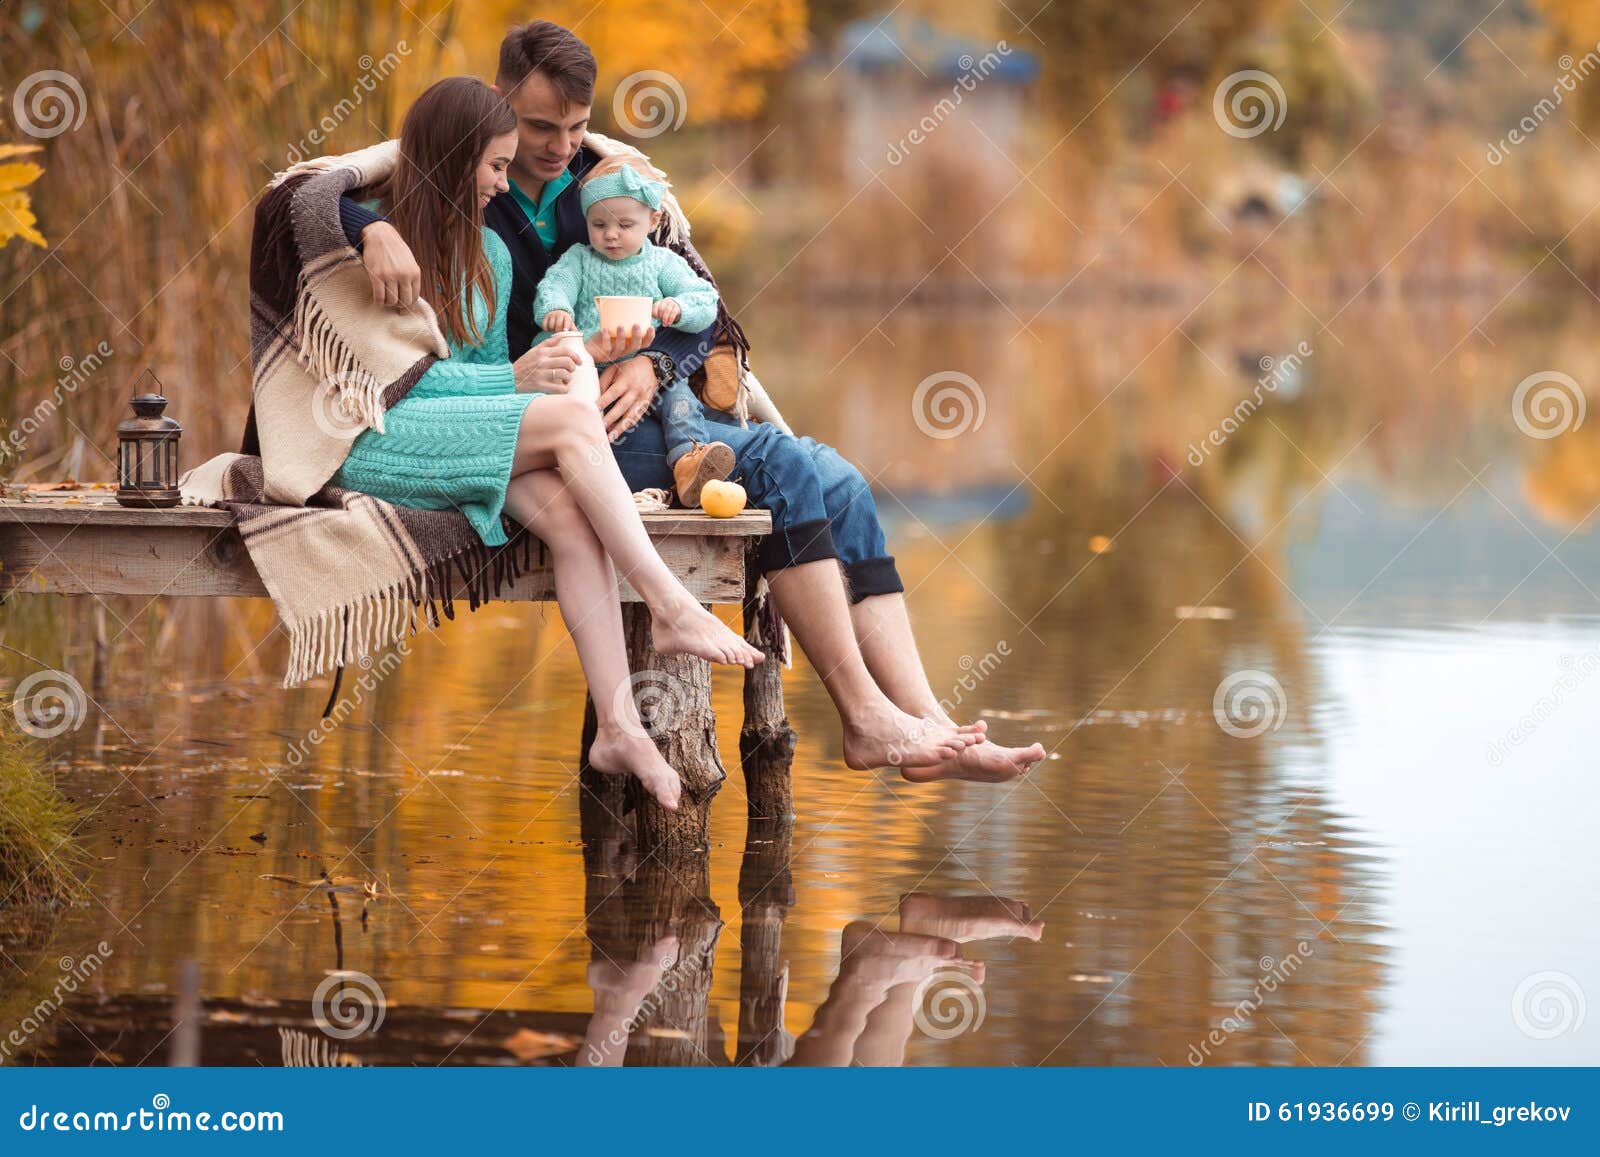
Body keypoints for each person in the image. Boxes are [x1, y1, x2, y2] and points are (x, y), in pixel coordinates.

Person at [342, 22, 1043, 783]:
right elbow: (309, 198)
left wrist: (651, 361)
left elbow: (697, 307)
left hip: (621, 401)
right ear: (502, 103)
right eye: (539, 127)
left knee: (839, 479)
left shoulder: (605, 182)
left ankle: (930, 724)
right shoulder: (467, 176)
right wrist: (371, 227)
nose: (558, 147)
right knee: (776, 465)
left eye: (576, 127)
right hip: (556, 422)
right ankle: (863, 715)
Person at [325, 76, 815, 814]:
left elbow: (485, 373)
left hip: (462, 437)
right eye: (492, 166)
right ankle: (669, 600)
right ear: (454, 160)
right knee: (570, 423)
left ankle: (618, 725)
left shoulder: (486, 251)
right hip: (373, 441)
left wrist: (564, 355)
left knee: (569, 519)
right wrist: (515, 379)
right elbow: (391, 387)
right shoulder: (365, 247)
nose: (503, 181)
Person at [533, 160, 736, 507]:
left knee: (680, 401)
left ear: (653, 221)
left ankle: (690, 462)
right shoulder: (579, 260)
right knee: (567, 387)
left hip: (648, 372)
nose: (611, 234)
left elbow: (705, 300)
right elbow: (554, 287)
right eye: (599, 224)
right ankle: (569, 456)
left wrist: (679, 307)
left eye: (625, 224)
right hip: (592, 366)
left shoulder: (662, 264)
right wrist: (557, 310)